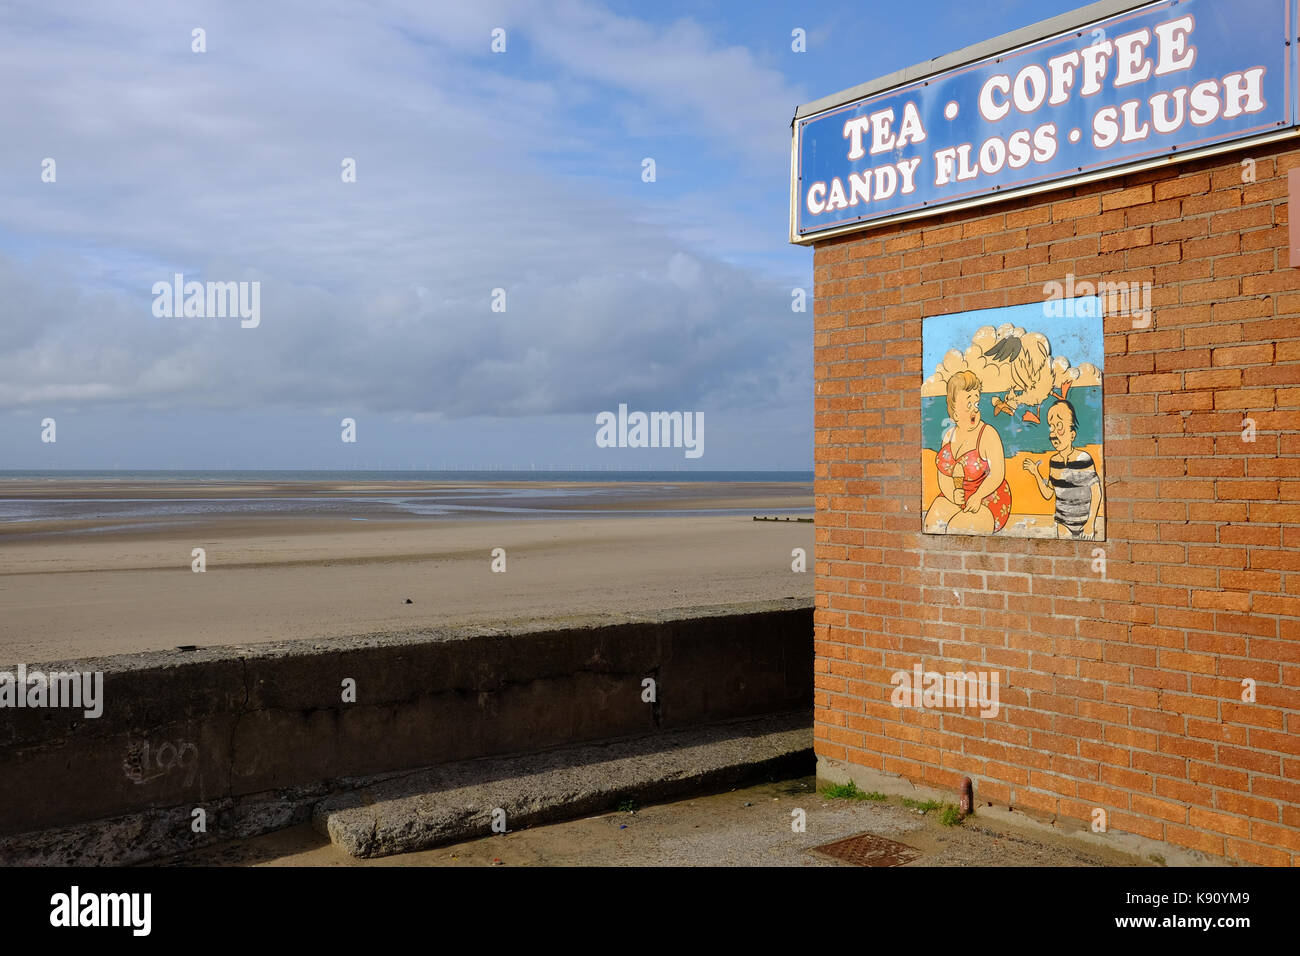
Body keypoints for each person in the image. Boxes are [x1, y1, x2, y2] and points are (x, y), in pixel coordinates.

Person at [924, 370, 1012, 534]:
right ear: (954, 410)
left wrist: (978, 496)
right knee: (931, 525)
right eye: (968, 404)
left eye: (976, 404)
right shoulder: (949, 437)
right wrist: (952, 495)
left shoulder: (987, 434)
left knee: (956, 530)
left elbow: (997, 475)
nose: (975, 410)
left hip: (987, 497)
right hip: (958, 497)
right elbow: (944, 476)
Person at [1022, 398, 1101, 539]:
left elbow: (1096, 493)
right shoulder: (1054, 461)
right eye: (1051, 426)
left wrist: (1090, 522)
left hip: (1084, 524)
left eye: (1059, 425)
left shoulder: (1084, 459)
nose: (1054, 433)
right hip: (1062, 523)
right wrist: (1036, 473)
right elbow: (1048, 494)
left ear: (1072, 434)